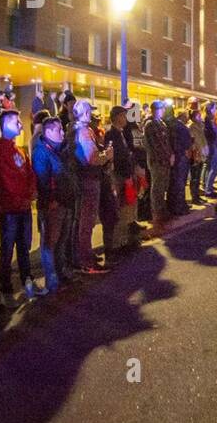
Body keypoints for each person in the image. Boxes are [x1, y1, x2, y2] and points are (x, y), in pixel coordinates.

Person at [0, 109, 40, 304]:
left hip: (24, 208)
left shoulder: (20, 150)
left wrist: (31, 192)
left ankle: (28, 281)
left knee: (24, 247)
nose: (19, 124)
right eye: (16, 121)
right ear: (5, 123)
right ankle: (5, 288)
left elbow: (29, 174)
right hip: (8, 209)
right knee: (7, 249)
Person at [32, 116, 76, 293]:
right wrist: (52, 201)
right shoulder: (41, 152)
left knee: (61, 241)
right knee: (50, 243)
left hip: (65, 202)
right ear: (48, 132)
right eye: (59, 130)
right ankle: (52, 279)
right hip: (53, 205)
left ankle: (60, 273)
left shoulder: (61, 150)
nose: (62, 133)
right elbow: (42, 180)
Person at [69, 100, 111, 274]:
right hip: (88, 180)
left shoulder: (74, 130)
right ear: (85, 113)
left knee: (83, 221)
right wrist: (107, 155)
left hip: (82, 180)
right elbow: (92, 158)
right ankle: (86, 260)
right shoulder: (84, 131)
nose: (92, 114)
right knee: (86, 222)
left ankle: (84, 256)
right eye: (90, 111)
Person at [105, 106, 138, 253]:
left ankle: (125, 240)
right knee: (120, 210)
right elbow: (117, 158)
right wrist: (126, 176)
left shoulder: (122, 133)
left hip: (126, 174)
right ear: (117, 117)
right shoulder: (111, 134)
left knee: (126, 209)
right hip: (119, 176)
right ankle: (118, 244)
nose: (126, 118)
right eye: (124, 115)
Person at [144, 100, 173, 233]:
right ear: (155, 110)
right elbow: (155, 145)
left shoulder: (161, 123)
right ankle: (157, 214)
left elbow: (166, 142)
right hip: (156, 161)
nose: (162, 111)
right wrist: (164, 156)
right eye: (160, 109)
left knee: (163, 187)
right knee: (157, 188)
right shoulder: (150, 124)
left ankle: (162, 211)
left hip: (165, 160)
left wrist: (170, 154)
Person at [187, 104, 206, 204]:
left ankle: (197, 196)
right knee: (194, 177)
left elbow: (202, 139)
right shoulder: (191, 126)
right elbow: (193, 142)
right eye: (199, 115)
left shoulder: (199, 125)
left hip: (201, 154)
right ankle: (194, 197)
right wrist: (197, 153)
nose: (200, 117)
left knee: (198, 177)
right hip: (196, 155)